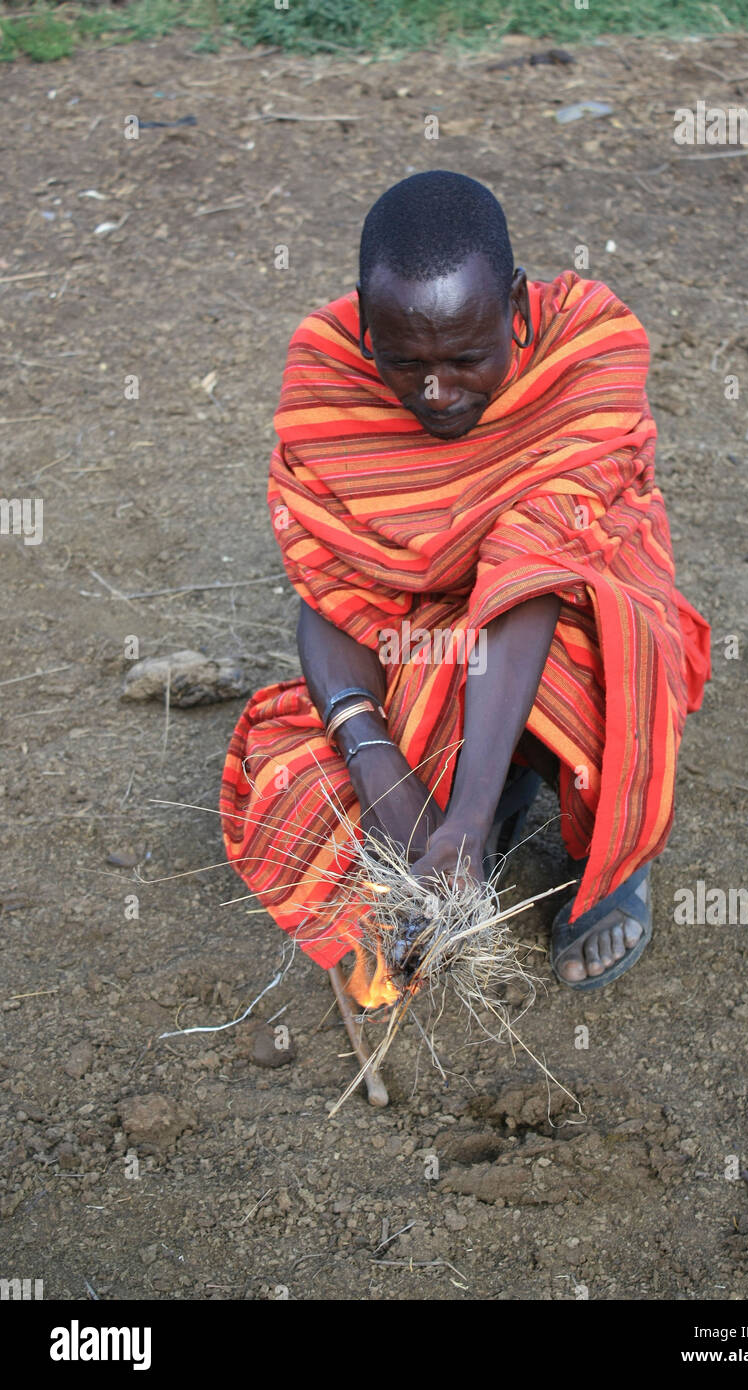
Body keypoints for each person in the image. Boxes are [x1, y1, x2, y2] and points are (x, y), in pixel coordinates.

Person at [220, 170, 710, 996]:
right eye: (405, 362)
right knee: (328, 792)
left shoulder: (586, 346)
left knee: (603, 652)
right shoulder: (326, 368)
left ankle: (605, 854)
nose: (436, 392)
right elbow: (334, 589)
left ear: (515, 304)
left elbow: (534, 572)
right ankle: (496, 776)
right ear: (366, 324)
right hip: (428, 628)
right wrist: (380, 772)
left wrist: (467, 817)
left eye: (467, 359)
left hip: (564, 603)